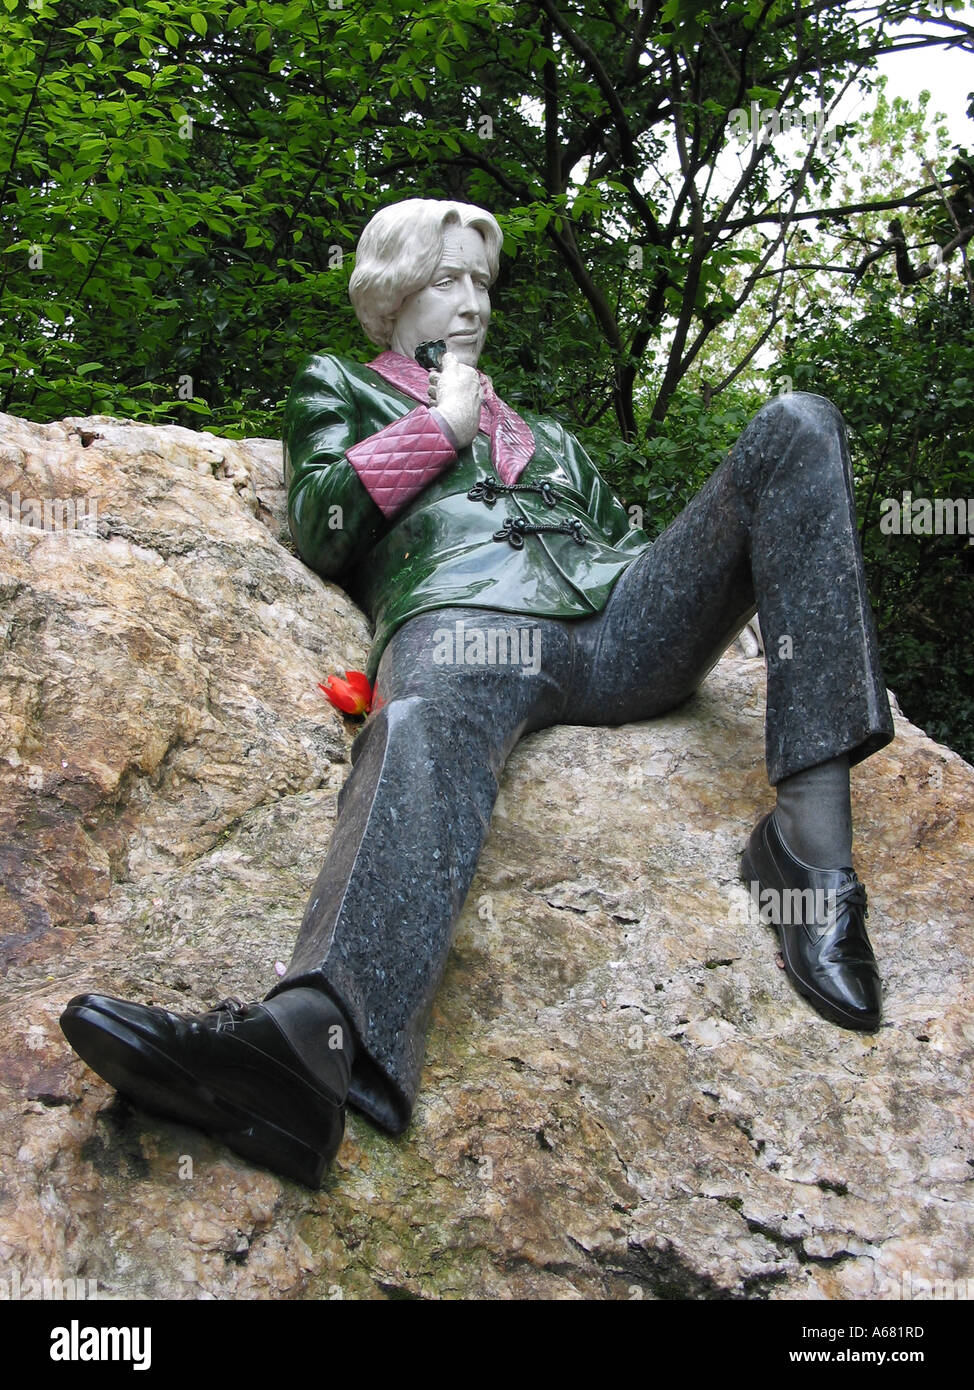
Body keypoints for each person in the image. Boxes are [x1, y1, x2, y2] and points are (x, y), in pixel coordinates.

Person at [60, 198, 895, 1188]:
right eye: (444, 281)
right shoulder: (338, 386)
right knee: (420, 717)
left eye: (480, 286)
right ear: (388, 294)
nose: (469, 305)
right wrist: (436, 426)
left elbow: (627, 547)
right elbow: (322, 522)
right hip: (468, 623)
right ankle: (307, 1046)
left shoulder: (551, 437)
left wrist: (742, 576)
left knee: (796, 422)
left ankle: (808, 854)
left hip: (618, 625)